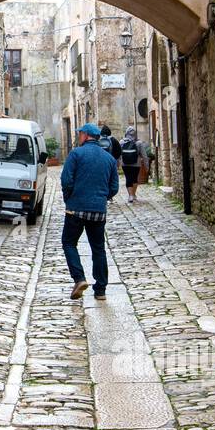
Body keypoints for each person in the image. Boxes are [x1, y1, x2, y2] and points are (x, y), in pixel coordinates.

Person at [60, 123, 119, 301]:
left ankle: (79, 278)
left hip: (76, 209)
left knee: (69, 243)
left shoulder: (76, 154)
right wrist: (101, 198)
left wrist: (69, 198)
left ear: (85, 135)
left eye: (80, 134)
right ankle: (100, 290)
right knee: (98, 248)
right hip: (98, 210)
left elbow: (66, 180)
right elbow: (114, 187)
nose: (79, 137)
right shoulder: (109, 159)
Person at [120, 126, 148, 204]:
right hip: (136, 164)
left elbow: (119, 154)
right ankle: (134, 194)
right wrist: (146, 166)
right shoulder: (139, 143)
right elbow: (144, 155)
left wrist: (118, 163)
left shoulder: (122, 142)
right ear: (135, 134)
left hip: (125, 164)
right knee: (135, 179)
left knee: (128, 179)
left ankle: (130, 196)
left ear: (126, 133)